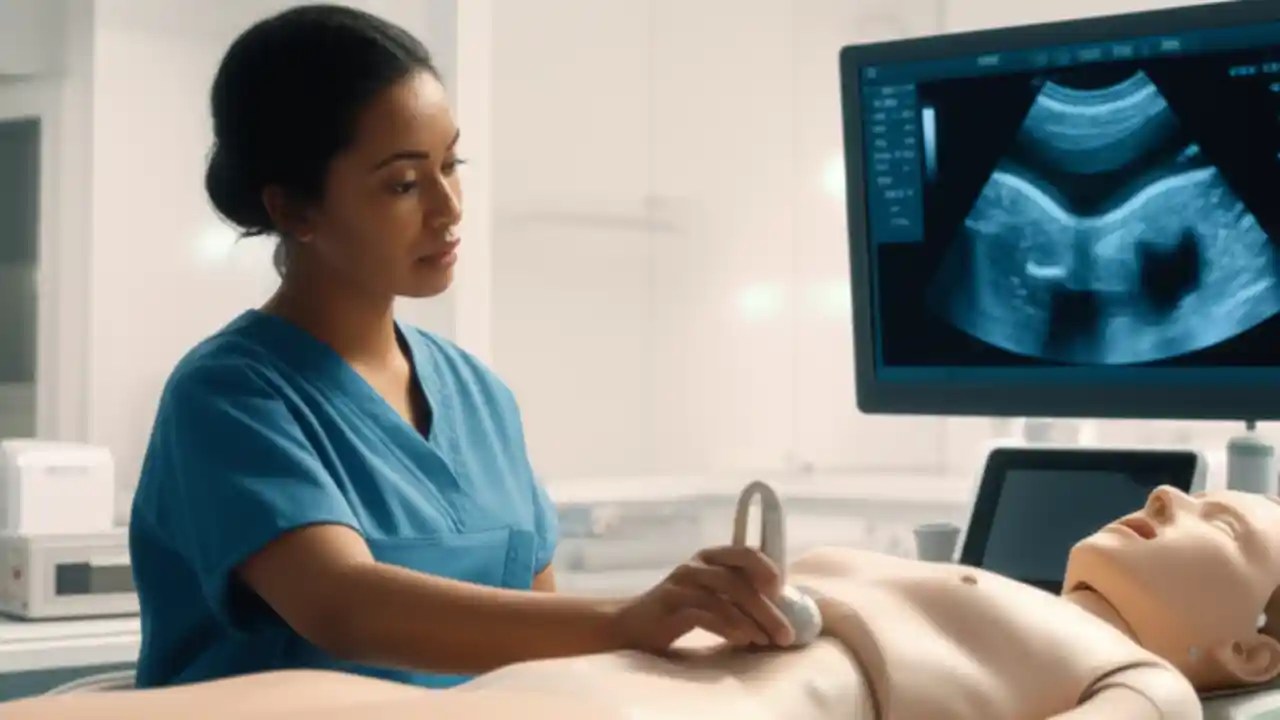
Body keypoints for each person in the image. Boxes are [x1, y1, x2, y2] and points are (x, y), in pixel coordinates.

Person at [126, 3, 795, 691]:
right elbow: (343, 605)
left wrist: (686, 620)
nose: (449, 208)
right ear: (294, 209)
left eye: (452, 164)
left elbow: (545, 640)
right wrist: (630, 618)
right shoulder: (228, 398)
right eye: (404, 184)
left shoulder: (480, 399)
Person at [10, 483, 1278, 719]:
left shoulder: (1138, 681)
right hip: (517, 696)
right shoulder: (1000, 593)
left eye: (1219, 520)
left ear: (1249, 649)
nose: (1167, 491)